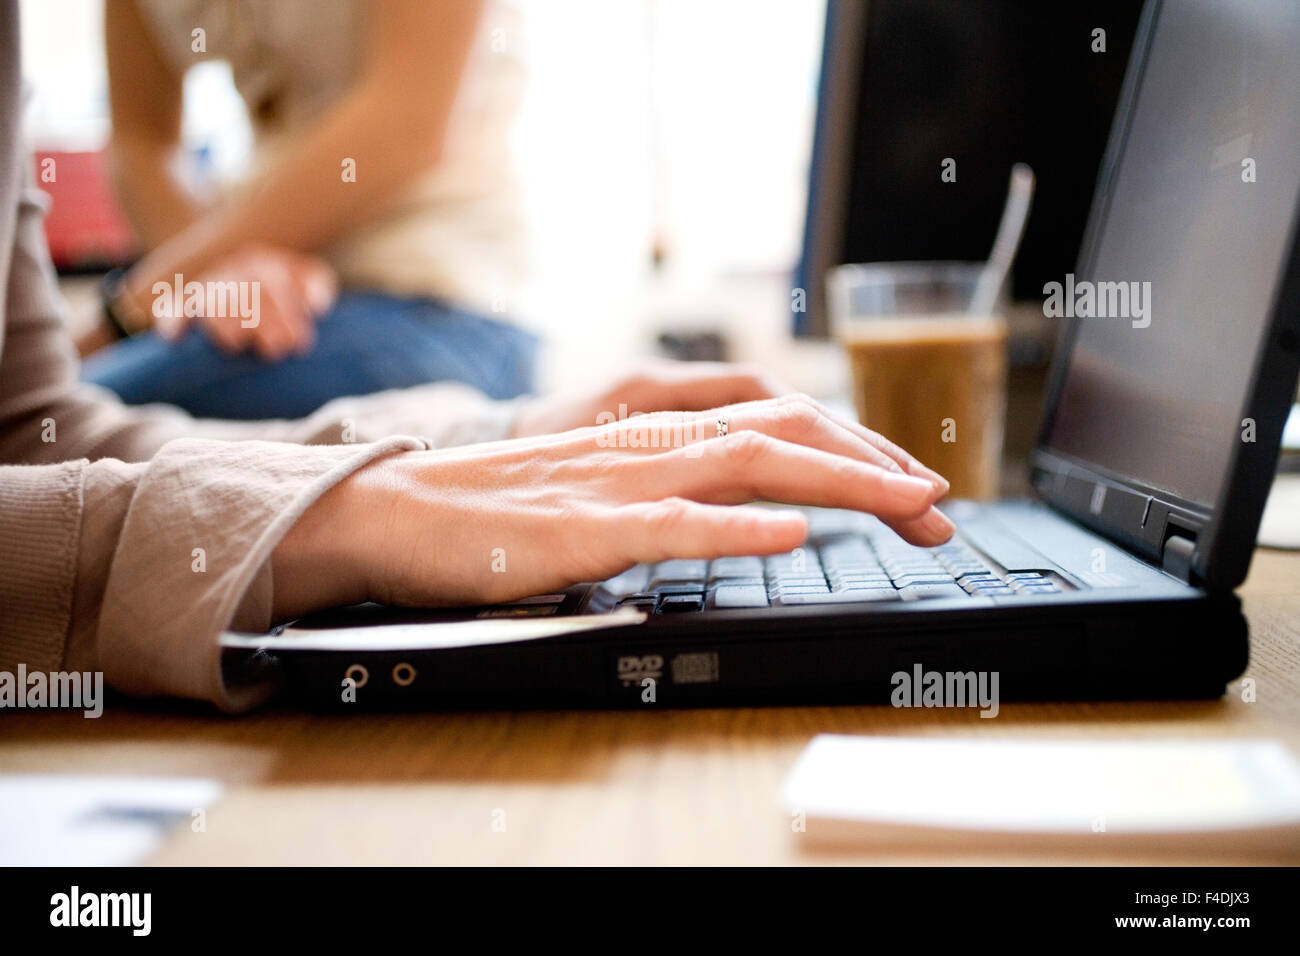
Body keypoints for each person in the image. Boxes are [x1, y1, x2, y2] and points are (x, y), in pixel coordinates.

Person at [0, 0, 953, 711]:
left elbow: (39, 440)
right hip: (258, 313)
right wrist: (203, 283)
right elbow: (141, 143)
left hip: (432, 300)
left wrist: (505, 439)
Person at [76, 0, 537, 418]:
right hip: (262, 304)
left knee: (48, 427)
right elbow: (142, 143)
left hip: (434, 303)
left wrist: (132, 308)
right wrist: (219, 278)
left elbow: (409, 121)